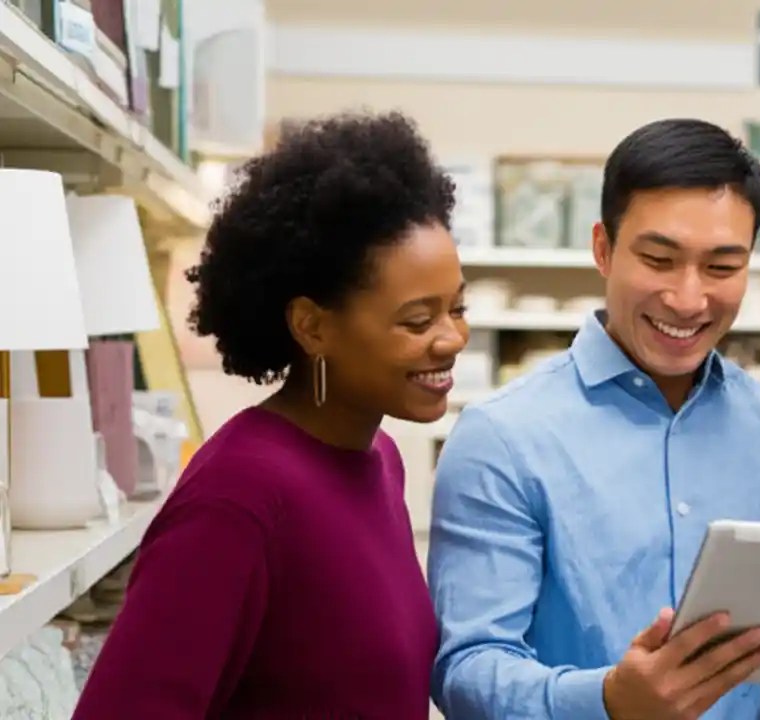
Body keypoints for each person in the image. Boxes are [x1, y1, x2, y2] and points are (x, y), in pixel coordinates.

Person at [428, 118, 760, 720]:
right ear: (603, 249)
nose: (688, 299)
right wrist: (608, 702)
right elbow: (467, 670)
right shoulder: (504, 439)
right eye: (659, 259)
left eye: (722, 268)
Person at [73, 111, 467, 718]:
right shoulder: (240, 496)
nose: (450, 339)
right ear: (312, 325)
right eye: (418, 320)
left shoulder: (378, 460)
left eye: (456, 309)